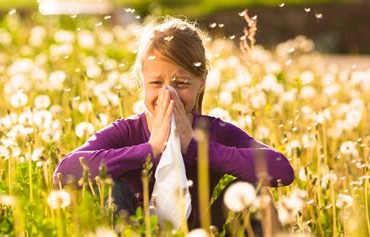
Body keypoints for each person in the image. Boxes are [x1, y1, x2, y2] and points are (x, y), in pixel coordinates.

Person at [53, 16, 294, 233]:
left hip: (200, 232)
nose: (168, 94)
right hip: (133, 229)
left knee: (256, 192)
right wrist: (150, 150)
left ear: (201, 83)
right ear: (142, 82)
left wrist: (198, 149)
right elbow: (64, 173)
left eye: (181, 84)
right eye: (156, 83)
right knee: (110, 188)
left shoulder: (213, 131)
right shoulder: (127, 131)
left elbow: (282, 170)